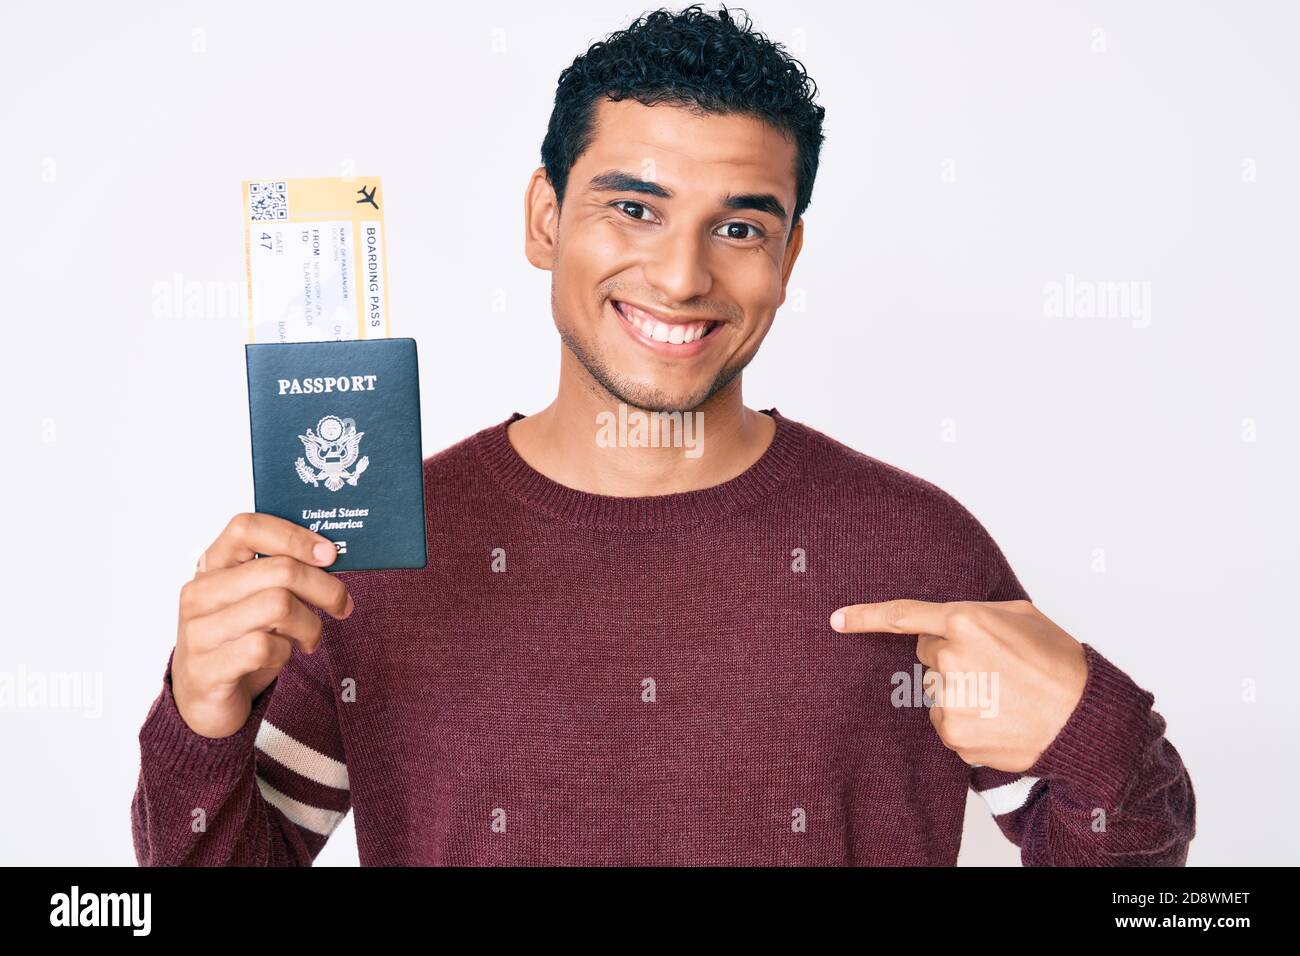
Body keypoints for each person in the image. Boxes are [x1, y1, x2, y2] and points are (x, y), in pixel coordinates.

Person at [131, 4, 1194, 866]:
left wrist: (1096, 729)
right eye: (633, 208)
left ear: (787, 255)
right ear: (545, 218)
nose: (683, 275)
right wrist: (200, 714)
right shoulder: (380, 550)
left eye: (738, 226)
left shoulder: (916, 546)